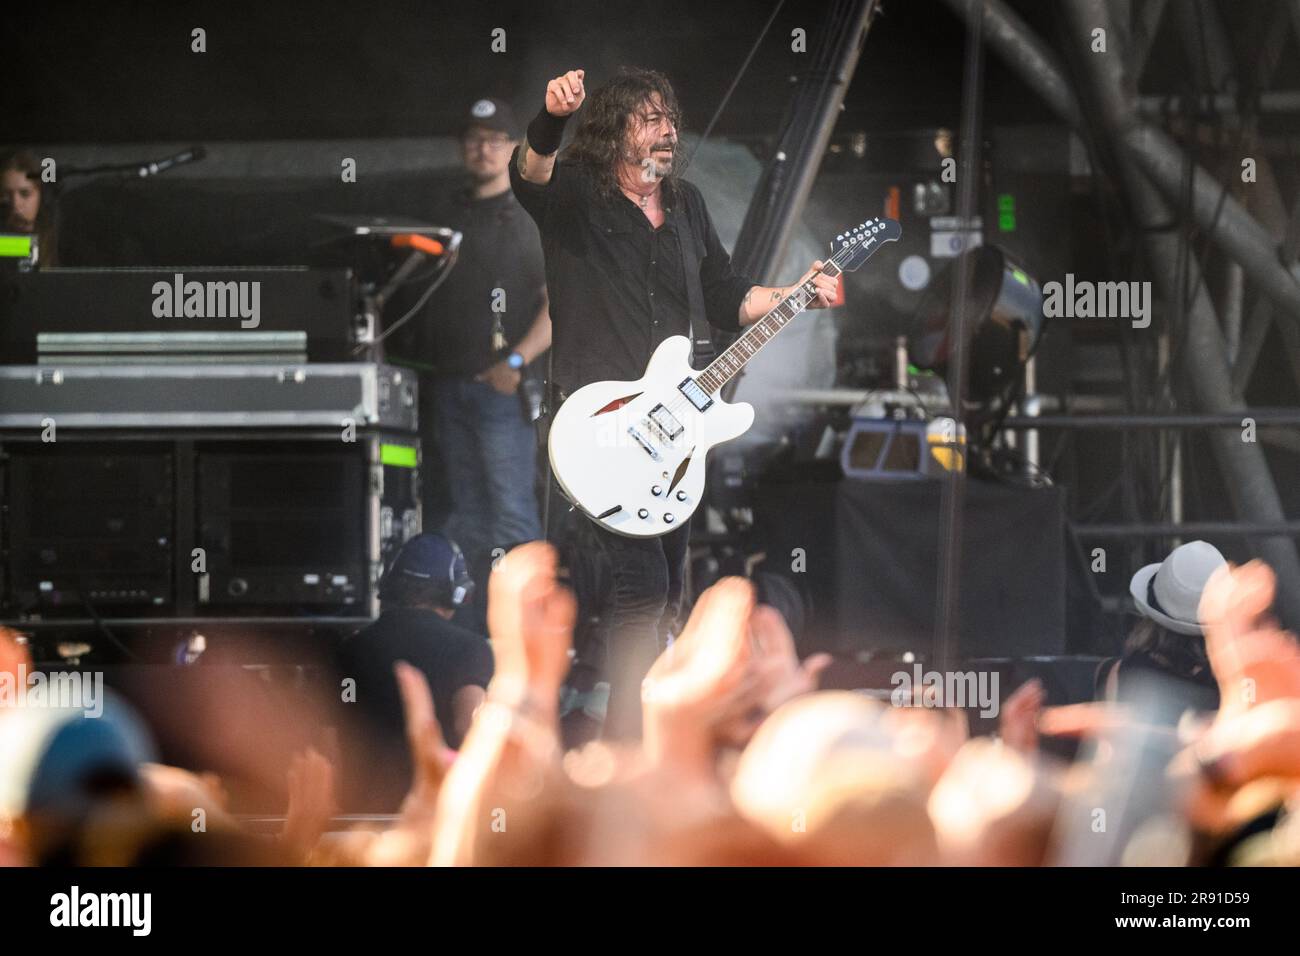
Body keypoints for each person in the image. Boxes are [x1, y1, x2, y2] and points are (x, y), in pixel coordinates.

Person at [509, 66, 839, 738]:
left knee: (666, 592)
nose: (667, 129)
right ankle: (630, 749)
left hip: (671, 431)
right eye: (649, 117)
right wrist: (549, 117)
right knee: (641, 589)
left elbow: (726, 295)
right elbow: (529, 174)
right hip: (597, 426)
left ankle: (619, 727)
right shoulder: (578, 195)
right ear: (614, 130)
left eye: (670, 116)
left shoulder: (685, 204)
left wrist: (798, 293)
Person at [388, 98, 551, 633]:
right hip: (448, 385)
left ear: (514, 148)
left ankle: (529, 637)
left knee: (511, 516)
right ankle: (475, 634)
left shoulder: (530, 216)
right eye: (475, 138)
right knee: (465, 515)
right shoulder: (445, 214)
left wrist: (516, 360)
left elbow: (560, 304)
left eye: (496, 138)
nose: (484, 148)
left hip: (501, 390)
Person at [336, 533, 493, 810]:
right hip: (436, 812)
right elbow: (468, 726)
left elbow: (331, 735)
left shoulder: (351, 649)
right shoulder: (471, 648)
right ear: (457, 592)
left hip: (362, 811)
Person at [0, 149, 59, 266]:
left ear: (42, 197)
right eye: (4, 195)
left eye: (25, 194)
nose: (16, 205)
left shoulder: (60, 237)